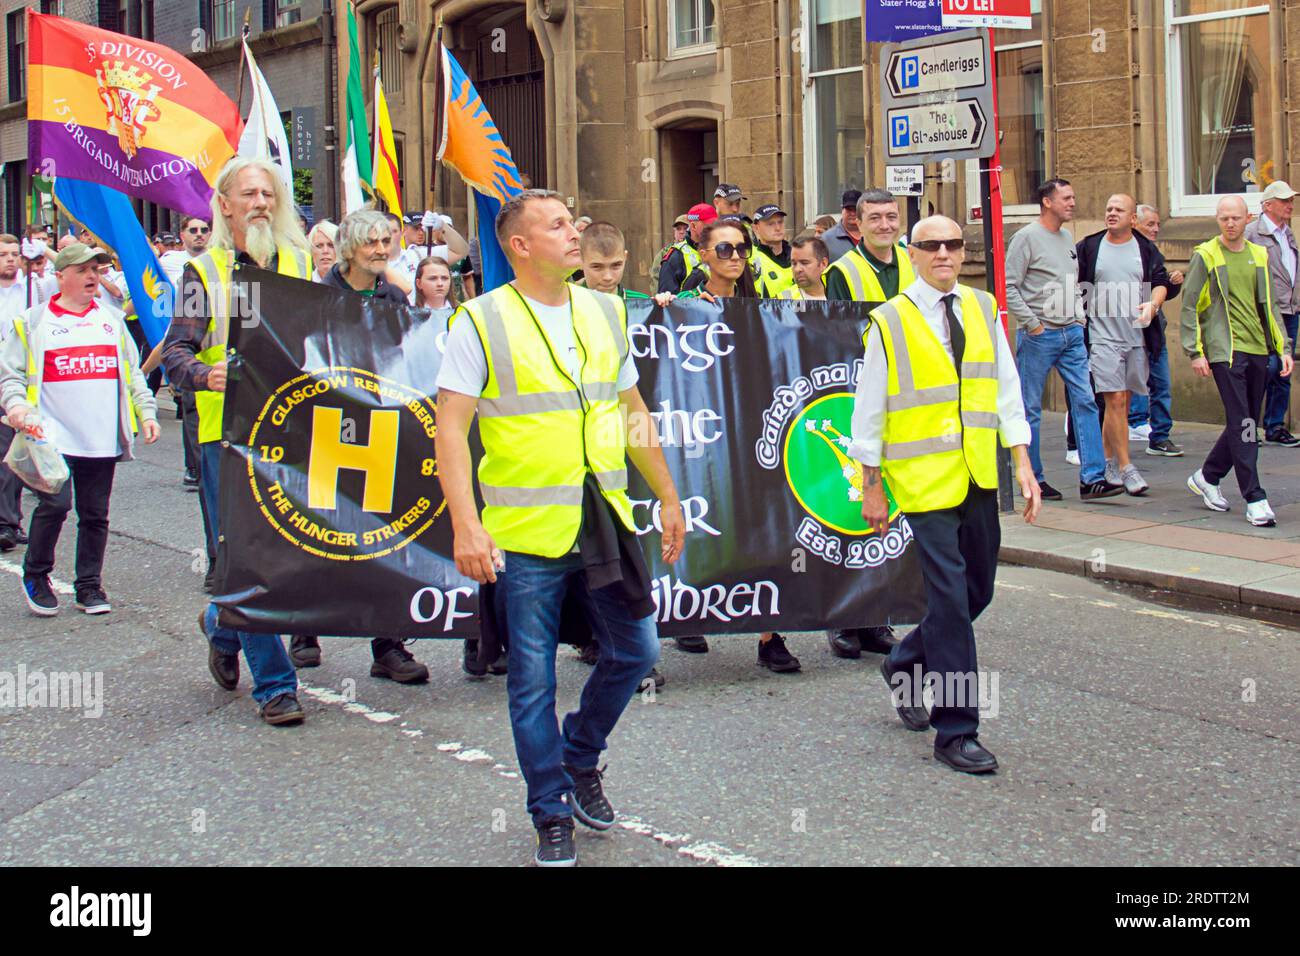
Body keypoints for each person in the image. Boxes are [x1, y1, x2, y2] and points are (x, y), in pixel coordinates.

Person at [434, 189, 686, 867]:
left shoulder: (605, 310)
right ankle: (549, 810)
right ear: (520, 246)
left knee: (638, 653)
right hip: (524, 532)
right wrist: (466, 526)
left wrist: (666, 494)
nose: (575, 234)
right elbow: (451, 430)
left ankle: (579, 757)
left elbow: (631, 405)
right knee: (532, 682)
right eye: (558, 226)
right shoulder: (479, 321)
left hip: (602, 518)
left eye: (571, 222)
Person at [851, 215, 1040, 774]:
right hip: (924, 484)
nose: (943, 254)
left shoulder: (982, 308)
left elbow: (1006, 387)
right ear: (911, 253)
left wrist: (1022, 461)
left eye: (953, 245)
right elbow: (869, 408)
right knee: (952, 606)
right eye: (931, 245)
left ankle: (905, 661)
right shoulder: (888, 320)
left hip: (978, 473)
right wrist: (872, 485)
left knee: (976, 594)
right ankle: (956, 730)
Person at [162, 156, 312, 727]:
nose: (261, 203)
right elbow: (174, 355)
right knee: (246, 561)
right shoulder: (204, 272)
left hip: (292, 433)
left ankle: (220, 624)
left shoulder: (298, 263)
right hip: (224, 439)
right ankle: (275, 685)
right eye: (249, 193)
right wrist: (207, 374)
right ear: (224, 206)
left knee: (290, 557)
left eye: (269, 193)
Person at [304, 209, 433, 681]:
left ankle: (388, 646)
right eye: (371, 242)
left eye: (386, 241)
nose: (381, 250)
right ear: (349, 248)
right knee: (321, 529)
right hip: (330, 425)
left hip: (381, 425)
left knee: (383, 535)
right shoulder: (320, 295)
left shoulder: (394, 295)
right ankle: (304, 628)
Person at [0, 243, 160, 616]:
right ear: (61, 277)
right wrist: (18, 406)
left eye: (97, 270)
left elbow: (133, 372)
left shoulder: (111, 319)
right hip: (51, 436)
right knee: (55, 505)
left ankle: (89, 585)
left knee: (95, 513)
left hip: (100, 436)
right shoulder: (33, 321)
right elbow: (11, 375)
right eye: (84, 270)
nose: (93, 277)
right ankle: (37, 575)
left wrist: (147, 412)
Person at [1007, 178, 1123, 502]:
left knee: (1085, 401)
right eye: (1066, 198)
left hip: (1071, 332)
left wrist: (1079, 320)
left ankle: (1093, 478)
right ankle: (1034, 478)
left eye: (1073, 197)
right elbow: (1009, 286)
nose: (1073, 203)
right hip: (1039, 335)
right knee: (1030, 408)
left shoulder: (1066, 237)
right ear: (1047, 201)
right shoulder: (1026, 238)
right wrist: (1032, 325)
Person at [1183, 195, 1292, 528]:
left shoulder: (1259, 254)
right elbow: (1188, 305)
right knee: (1244, 423)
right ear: (1217, 220)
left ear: (1249, 219)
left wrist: (1283, 347)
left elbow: (1270, 306)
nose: (1230, 224)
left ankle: (1208, 475)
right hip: (1224, 351)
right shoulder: (1206, 255)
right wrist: (1195, 351)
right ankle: (1255, 498)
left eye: (1235, 218)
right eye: (1223, 218)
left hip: (1258, 349)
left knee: (1245, 423)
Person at [1075, 193, 1170, 496]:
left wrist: (1153, 305)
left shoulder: (1144, 248)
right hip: (1102, 337)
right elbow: (1072, 284)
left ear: (1132, 219)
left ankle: (1106, 464)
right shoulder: (1090, 247)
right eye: (1108, 208)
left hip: (1135, 337)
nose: (1112, 213)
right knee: (1114, 400)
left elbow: (1161, 282)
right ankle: (1128, 468)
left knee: (1122, 403)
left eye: (1119, 210)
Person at [1244, 180, 1300, 448]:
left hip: (1290, 310)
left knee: (1284, 370)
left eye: (1291, 200)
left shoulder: (1287, 233)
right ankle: (1249, 425)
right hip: (1263, 312)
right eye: (1284, 200)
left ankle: (1275, 425)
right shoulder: (1251, 233)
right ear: (1268, 205)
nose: (1290, 204)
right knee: (1264, 368)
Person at [1131, 204, 1184, 457]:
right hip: (1128, 330)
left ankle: (1160, 435)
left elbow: (1160, 289)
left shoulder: (1153, 252)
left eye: (1158, 224)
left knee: (1161, 384)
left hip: (1152, 330)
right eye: (1150, 224)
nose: (1156, 229)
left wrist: (1172, 284)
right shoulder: (1122, 249)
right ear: (1134, 222)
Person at [824, 189, 915, 309]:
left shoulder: (914, 261)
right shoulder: (841, 272)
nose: (884, 226)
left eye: (891, 217)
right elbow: (840, 326)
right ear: (859, 224)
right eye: (875, 218)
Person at [0, 233, 28, 552]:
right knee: (3, 451)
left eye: (14, 253)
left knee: (20, 450)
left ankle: (12, 518)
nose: (10, 258)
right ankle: (6, 521)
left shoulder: (34, 288)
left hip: (22, 379)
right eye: (4, 254)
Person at [656, 203, 715, 294]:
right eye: (709, 226)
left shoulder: (723, 250)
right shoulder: (676, 256)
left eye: (716, 224)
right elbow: (667, 300)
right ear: (693, 226)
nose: (714, 229)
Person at [750, 204, 796, 297]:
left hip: (799, 310)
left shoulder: (797, 254)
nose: (777, 228)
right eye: (770, 224)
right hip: (763, 311)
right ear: (756, 228)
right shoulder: (751, 258)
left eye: (780, 222)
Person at [778, 235, 830, 300]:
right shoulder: (782, 300)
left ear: (823, 263)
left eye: (804, 263)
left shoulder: (840, 295)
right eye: (794, 263)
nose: (797, 269)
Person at [820, 190, 863, 262]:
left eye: (855, 209)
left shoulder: (873, 235)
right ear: (842, 209)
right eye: (849, 209)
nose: (852, 213)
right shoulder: (826, 239)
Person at [649, 214, 690, 289]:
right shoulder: (664, 253)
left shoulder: (698, 251)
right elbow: (655, 280)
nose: (681, 232)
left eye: (685, 229)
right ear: (674, 232)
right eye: (678, 229)